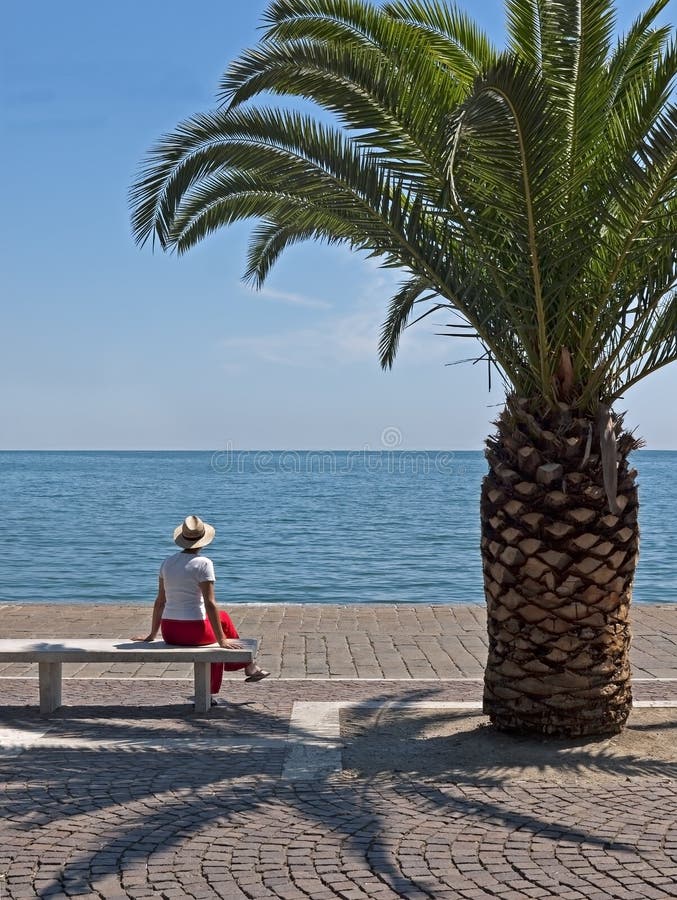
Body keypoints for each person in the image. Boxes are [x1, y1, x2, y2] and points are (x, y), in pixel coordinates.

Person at [134, 515, 269, 700]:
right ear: (202, 540)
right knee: (220, 628)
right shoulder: (204, 563)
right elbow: (209, 603)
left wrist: (152, 635)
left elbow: (160, 601)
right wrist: (222, 639)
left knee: (221, 618)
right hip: (194, 633)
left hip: (170, 632)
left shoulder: (166, 563)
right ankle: (237, 672)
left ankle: (247, 666)